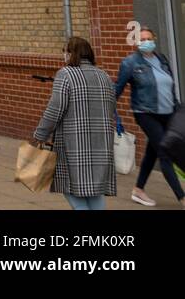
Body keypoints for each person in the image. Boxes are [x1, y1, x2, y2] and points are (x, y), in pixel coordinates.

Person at [31, 35, 117, 210]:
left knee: (71, 189)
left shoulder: (66, 74)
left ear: (71, 54)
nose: (64, 56)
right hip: (101, 143)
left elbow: (55, 108)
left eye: (65, 52)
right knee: (94, 191)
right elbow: (111, 106)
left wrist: (40, 134)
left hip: (73, 143)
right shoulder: (104, 76)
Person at [115, 25, 184, 207]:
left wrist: (176, 107)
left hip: (168, 112)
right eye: (142, 39)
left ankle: (138, 190)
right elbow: (117, 90)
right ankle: (182, 197)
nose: (146, 42)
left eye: (149, 39)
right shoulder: (130, 63)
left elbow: (169, 85)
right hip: (146, 113)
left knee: (152, 152)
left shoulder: (162, 59)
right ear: (137, 42)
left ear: (154, 40)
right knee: (165, 153)